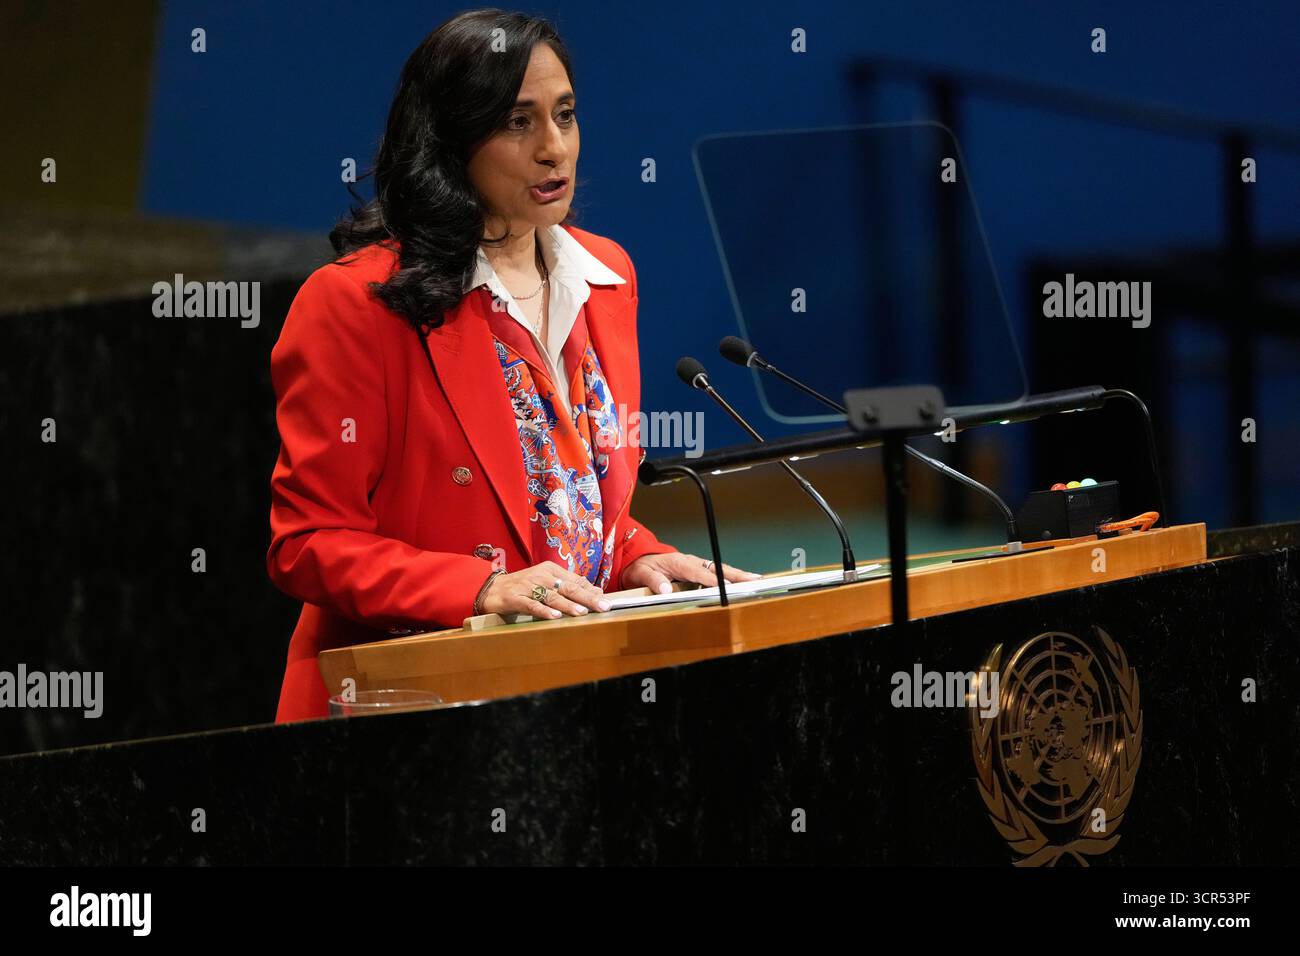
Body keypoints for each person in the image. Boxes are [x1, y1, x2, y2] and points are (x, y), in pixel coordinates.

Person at [266, 9, 758, 722]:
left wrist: (635, 556)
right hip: (408, 706)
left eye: (564, 115)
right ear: (449, 139)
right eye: (518, 122)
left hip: (571, 693)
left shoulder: (607, 277)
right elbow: (307, 545)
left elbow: (573, 497)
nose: (554, 149)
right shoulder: (357, 305)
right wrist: (477, 587)